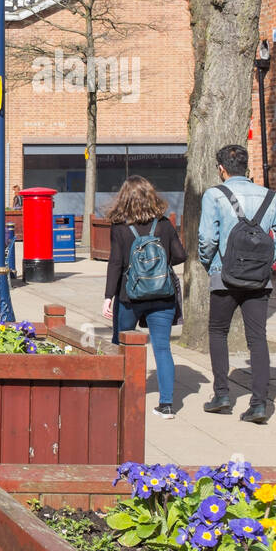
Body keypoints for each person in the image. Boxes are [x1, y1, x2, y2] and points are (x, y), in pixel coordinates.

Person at [198, 144, 276, 424]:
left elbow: (207, 239)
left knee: (217, 332)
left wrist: (209, 264)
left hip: (223, 275)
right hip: (259, 280)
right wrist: (267, 260)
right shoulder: (270, 196)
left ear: (221, 169)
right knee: (257, 338)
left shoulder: (214, 194)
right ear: (247, 168)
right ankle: (259, 404)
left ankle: (222, 394)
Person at [100, 176, 186, 420]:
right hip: (163, 294)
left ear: (124, 199)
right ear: (152, 196)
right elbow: (180, 256)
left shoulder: (119, 227)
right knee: (162, 348)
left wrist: (108, 297)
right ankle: (167, 405)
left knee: (121, 344)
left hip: (129, 295)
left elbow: (115, 264)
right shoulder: (164, 225)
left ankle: (117, 395)